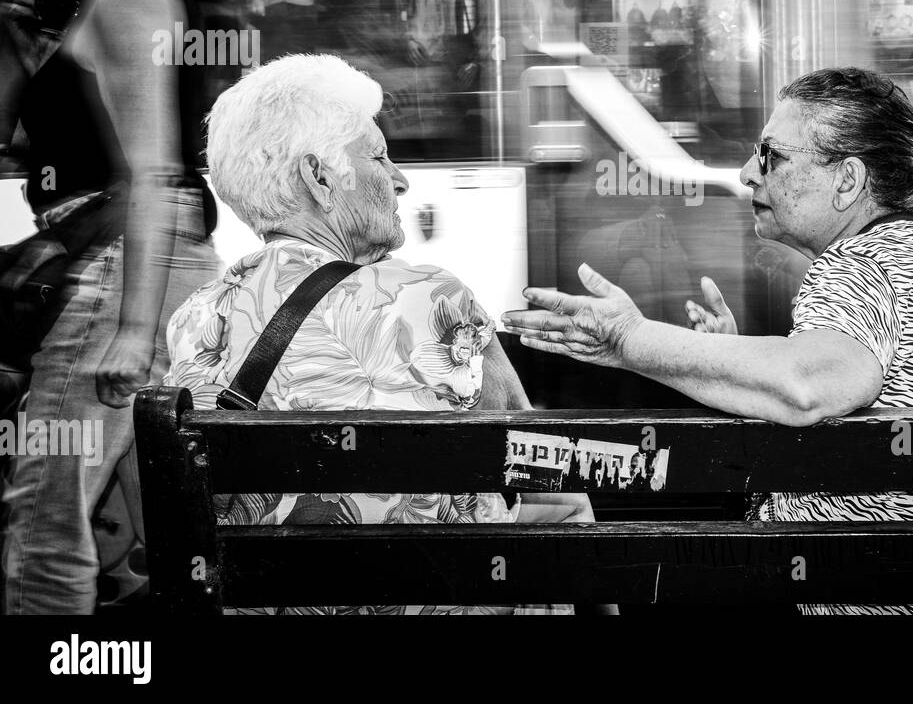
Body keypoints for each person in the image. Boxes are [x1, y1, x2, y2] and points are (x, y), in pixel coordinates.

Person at [503, 67, 913, 614]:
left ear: (847, 180)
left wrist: (630, 339)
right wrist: (731, 359)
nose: (746, 173)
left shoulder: (865, 259)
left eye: (770, 157)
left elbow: (808, 386)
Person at [167, 53, 597, 614]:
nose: (399, 179)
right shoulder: (433, 295)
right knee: (565, 505)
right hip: (441, 603)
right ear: (319, 178)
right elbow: (531, 460)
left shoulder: (195, 318)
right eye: (378, 156)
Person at [0, 0, 222, 614]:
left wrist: (133, 328)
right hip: (129, 269)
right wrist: (20, 45)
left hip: (122, 272)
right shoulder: (70, 3)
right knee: (157, 534)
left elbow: (154, 173)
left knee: (43, 524)